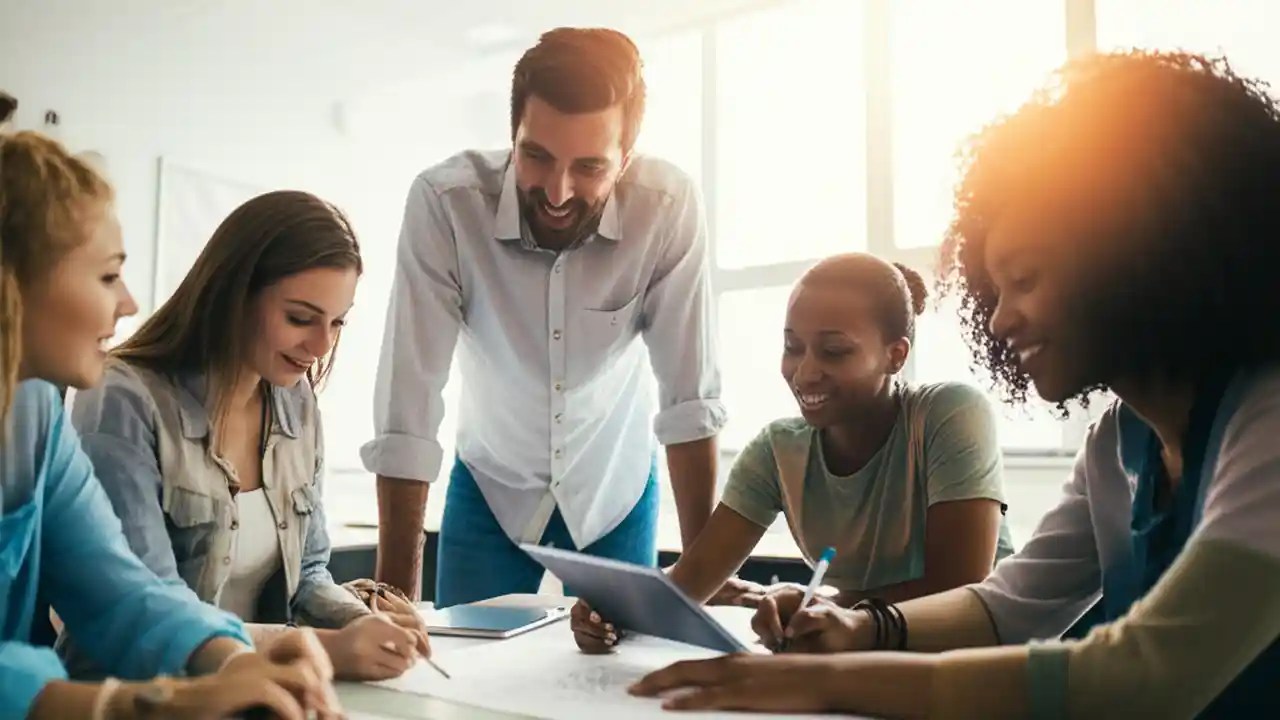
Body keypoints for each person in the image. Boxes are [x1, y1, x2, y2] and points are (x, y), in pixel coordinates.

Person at [629, 51, 1280, 718]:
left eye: (1026, 279)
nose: (1001, 317)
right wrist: (862, 629)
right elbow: (1006, 605)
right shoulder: (1115, 445)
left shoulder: (1268, 415)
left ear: (1138, 250)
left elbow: (1146, 675)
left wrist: (830, 680)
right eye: (995, 289)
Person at [364, 27, 725, 607]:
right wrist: (393, 599)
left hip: (615, 487)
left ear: (625, 159)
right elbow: (408, 403)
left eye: (589, 167)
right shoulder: (445, 204)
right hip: (490, 484)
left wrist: (702, 584)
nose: (557, 191)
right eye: (536, 156)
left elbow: (689, 399)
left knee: (621, 679)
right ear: (513, 135)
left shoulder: (667, 206)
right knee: (464, 669)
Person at [0, 130, 341, 718]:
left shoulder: (35, 413)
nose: (129, 302)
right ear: (13, 285)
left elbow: (120, 587)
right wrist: (137, 703)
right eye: (108, 276)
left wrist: (236, 662)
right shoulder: (123, 396)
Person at [63, 190, 431, 681]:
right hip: (139, 695)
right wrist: (319, 648)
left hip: (254, 688)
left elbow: (308, 578)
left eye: (336, 323)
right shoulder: (124, 398)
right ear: (234, 294)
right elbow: (147, 605)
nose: (321, 346)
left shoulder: (296, 401)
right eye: (300, 318)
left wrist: (366, 624)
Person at [573, 253, 1015, 652]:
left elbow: (960, 588)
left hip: (977, 660)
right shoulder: (778, 452)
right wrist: (613, 612)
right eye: (792, 347)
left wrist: (827, 606)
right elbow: (692, 580)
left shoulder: (949, 415)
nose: (804, 372)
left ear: (895, 356)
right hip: (871, 661)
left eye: (834, 351)